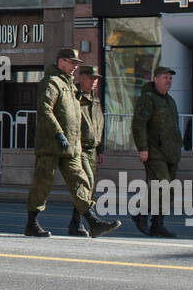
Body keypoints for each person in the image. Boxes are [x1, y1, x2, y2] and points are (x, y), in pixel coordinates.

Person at [24, 49, 121, 239]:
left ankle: (92, 221)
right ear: (61, 62)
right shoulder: (51, 82)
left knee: (80, 181)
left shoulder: (70, 87)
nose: (75, 66)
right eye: (72, 62)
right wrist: (59, 133)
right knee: (42, 183)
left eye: (76, 63)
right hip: (51, 145)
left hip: (71, 146)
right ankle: (31, 223)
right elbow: (45, 109)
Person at [131, 65, 183, 237]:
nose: (169, 81)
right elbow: (139, 124)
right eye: (165, 77)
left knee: (168, 189)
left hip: (171, 153)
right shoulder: (148, 98)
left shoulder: (169, 100)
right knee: (162, 185)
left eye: (170, 78)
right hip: (155, 152)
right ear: (156, 79)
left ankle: (157, 223)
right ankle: (142, 215)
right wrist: (143, 148)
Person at [69, 64, 105, 237]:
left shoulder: (95, 99)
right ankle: (92, 221)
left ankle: (76, 223)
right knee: (85, 183)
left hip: (92, 149)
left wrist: (101, 148)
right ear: (81, 78)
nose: (94, 82)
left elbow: (99, 124)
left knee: (88, 188)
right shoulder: (74, 96)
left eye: (96, 79)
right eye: (91, 78)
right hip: (79, 147)